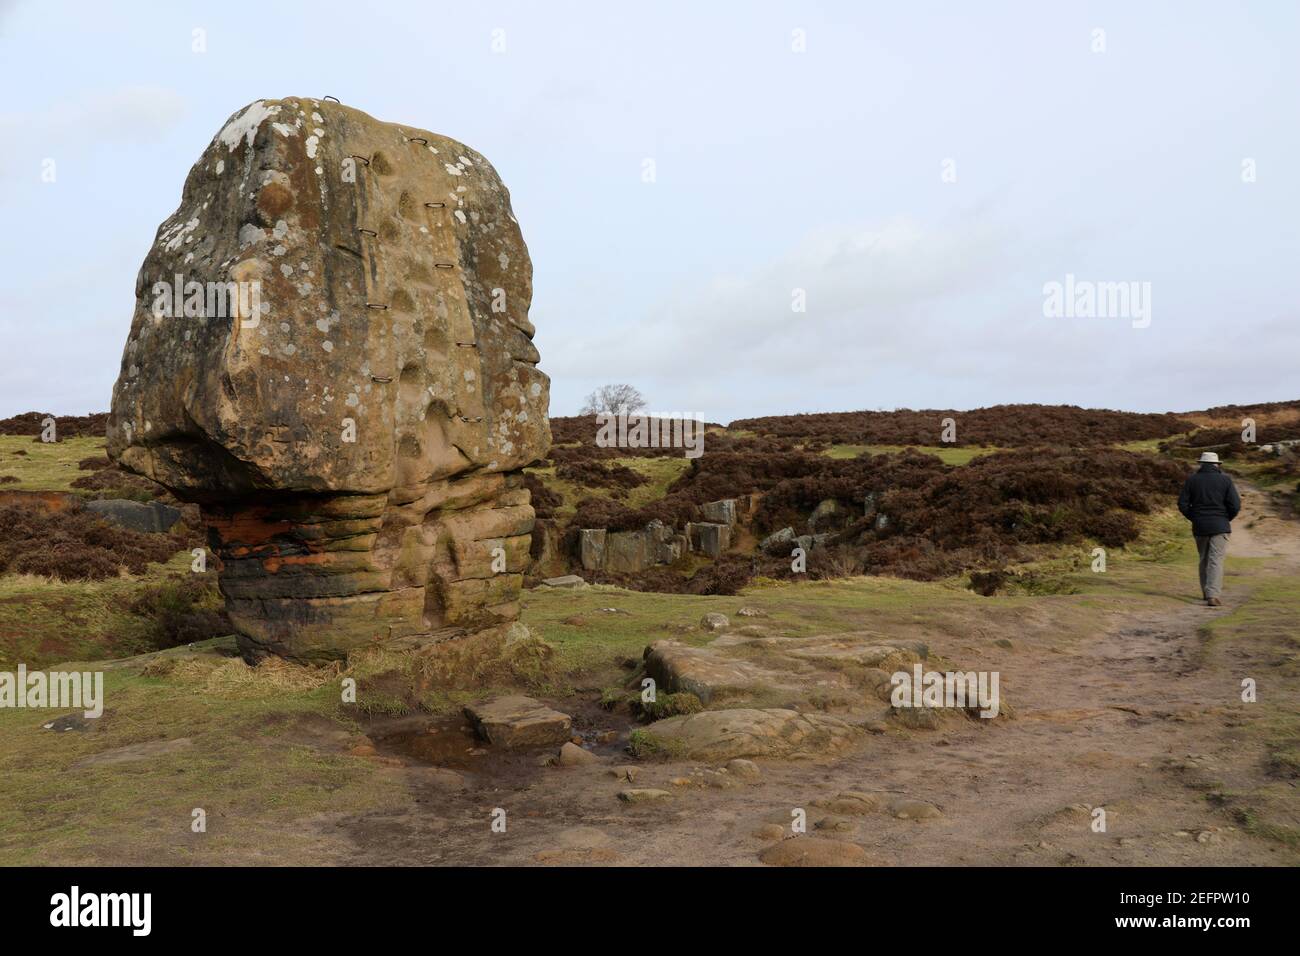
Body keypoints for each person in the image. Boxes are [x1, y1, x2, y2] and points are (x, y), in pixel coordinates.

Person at [1177, 451, 1241, 607]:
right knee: (1216, 560)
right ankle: (1213, 594)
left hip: (1200, 526)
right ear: (1216, 465)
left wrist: (1194, 517)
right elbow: (1235, 505)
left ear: (1201, 464)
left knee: (1204, 559)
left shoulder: (1192, 480)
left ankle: (1206, 593)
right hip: (1220, 525)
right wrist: (1226, 518)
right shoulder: (1225, 480)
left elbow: (1182, 504)